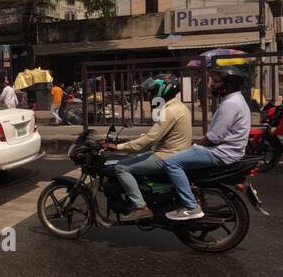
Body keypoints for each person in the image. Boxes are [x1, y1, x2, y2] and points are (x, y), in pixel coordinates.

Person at [162, 65, 252, 221]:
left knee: (171, 162)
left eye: (216, 82)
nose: (211, 85)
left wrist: (194, 145)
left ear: (227, 85)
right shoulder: (237, 99)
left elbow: (213, 138)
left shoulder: (230, 105)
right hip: (228, 150)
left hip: (220, 152)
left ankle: (191, 206)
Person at [101, 74, 191, 220]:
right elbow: (156, 130)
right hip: (175, 152)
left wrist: (117, 147)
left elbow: (150, 139)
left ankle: (140, 206)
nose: (151, 93)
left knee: (121, 167)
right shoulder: (177, 106)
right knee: (134, 157)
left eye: (154, 89)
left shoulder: (169, 111)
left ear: (164, 88)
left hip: (166, 155)